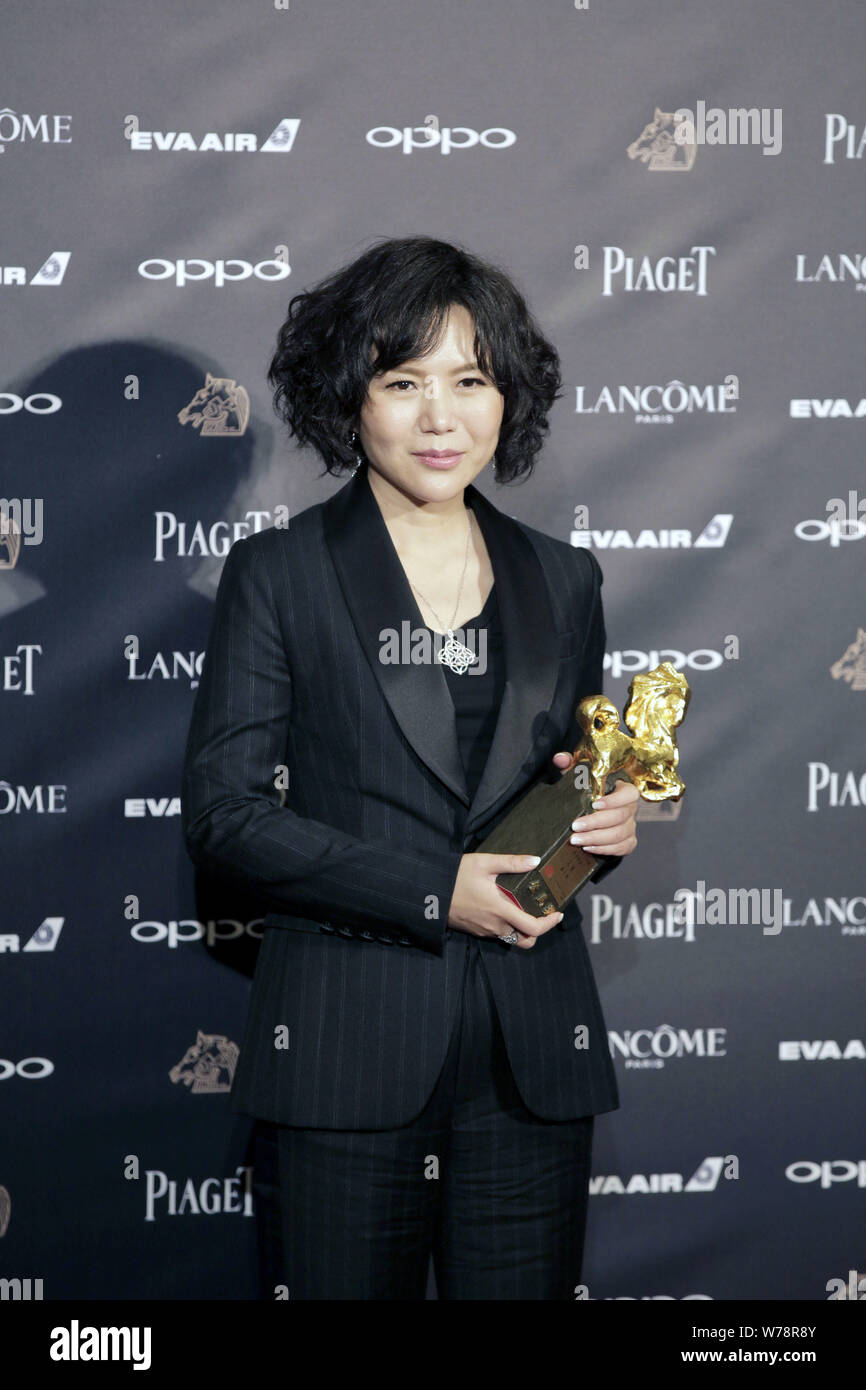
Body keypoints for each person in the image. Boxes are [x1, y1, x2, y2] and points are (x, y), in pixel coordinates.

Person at [181, 235, 639, 1300]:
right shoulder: (280, 573)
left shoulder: (563, 578)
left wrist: (599, 829)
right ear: (348, 397)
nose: (441, 418)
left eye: (470, 381)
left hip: (530, 1062)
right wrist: (437, 890)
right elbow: (226, 816)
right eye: (403, 382)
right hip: (347, 1053)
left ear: (507, 397)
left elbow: (563, 788)